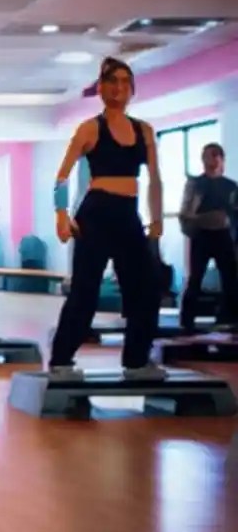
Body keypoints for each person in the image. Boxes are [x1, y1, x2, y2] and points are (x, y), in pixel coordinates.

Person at [48, 57, 166, 380]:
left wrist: (157, 219)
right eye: (113, 81)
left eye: (126, 82)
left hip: (129, 215)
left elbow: (155, 178)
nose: (119, 88)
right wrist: (61, 215)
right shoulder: (90, 128)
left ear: (132, 89)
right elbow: (61, 178)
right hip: (96, 213)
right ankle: (61, 358)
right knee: (85, 290)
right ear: (101, 87)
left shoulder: (143, 130)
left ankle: (137, 360)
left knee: (146, 288)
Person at [178, 143, 238, 332]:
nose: (208, 161)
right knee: (195, 277)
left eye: (212, 157)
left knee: (230, 278)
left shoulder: (231, 186)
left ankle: (229, 317)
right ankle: (187, 320)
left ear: (220, 159)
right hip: (201, 235)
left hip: (224, 236)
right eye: (205, 157)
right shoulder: (196, 184)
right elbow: (186, 213)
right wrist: (203, 219)